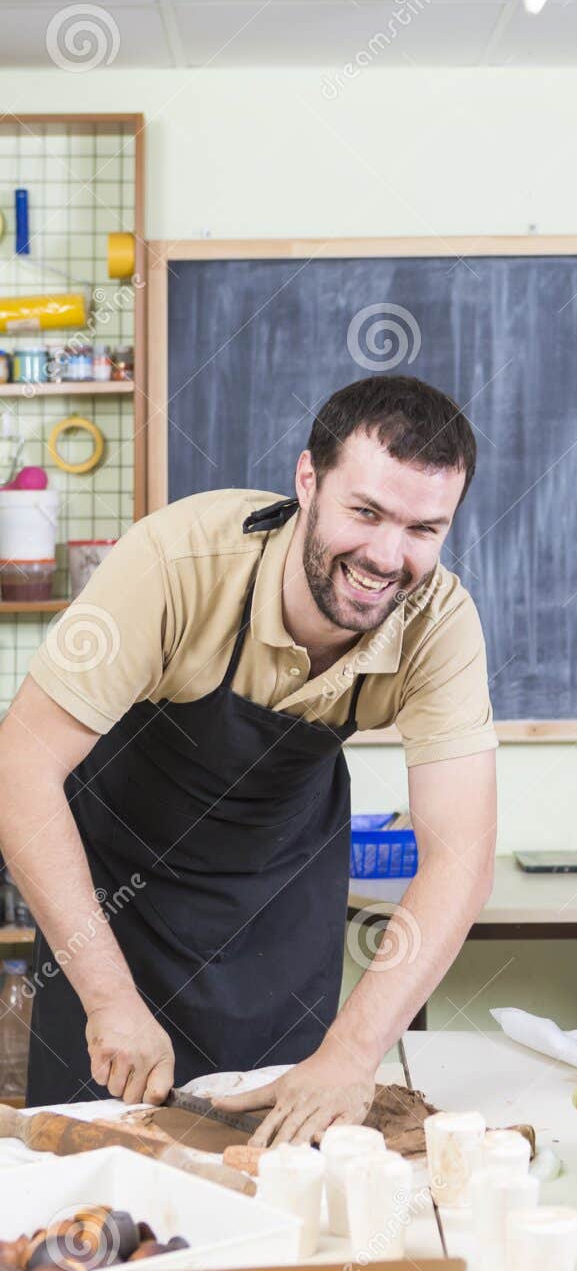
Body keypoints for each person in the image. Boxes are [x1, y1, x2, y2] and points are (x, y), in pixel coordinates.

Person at [0, 375, 497, 1144]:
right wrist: (109, 1000)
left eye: (423, 529)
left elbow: (459, 859)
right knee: (95, 1171)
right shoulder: (177, 560)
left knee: (275, 1168)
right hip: (116, 893)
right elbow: (19, 771)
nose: (385, 556)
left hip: (278, 898)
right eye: (364, 512)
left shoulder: (440, 623)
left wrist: (354, 1050)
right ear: (308, 482)